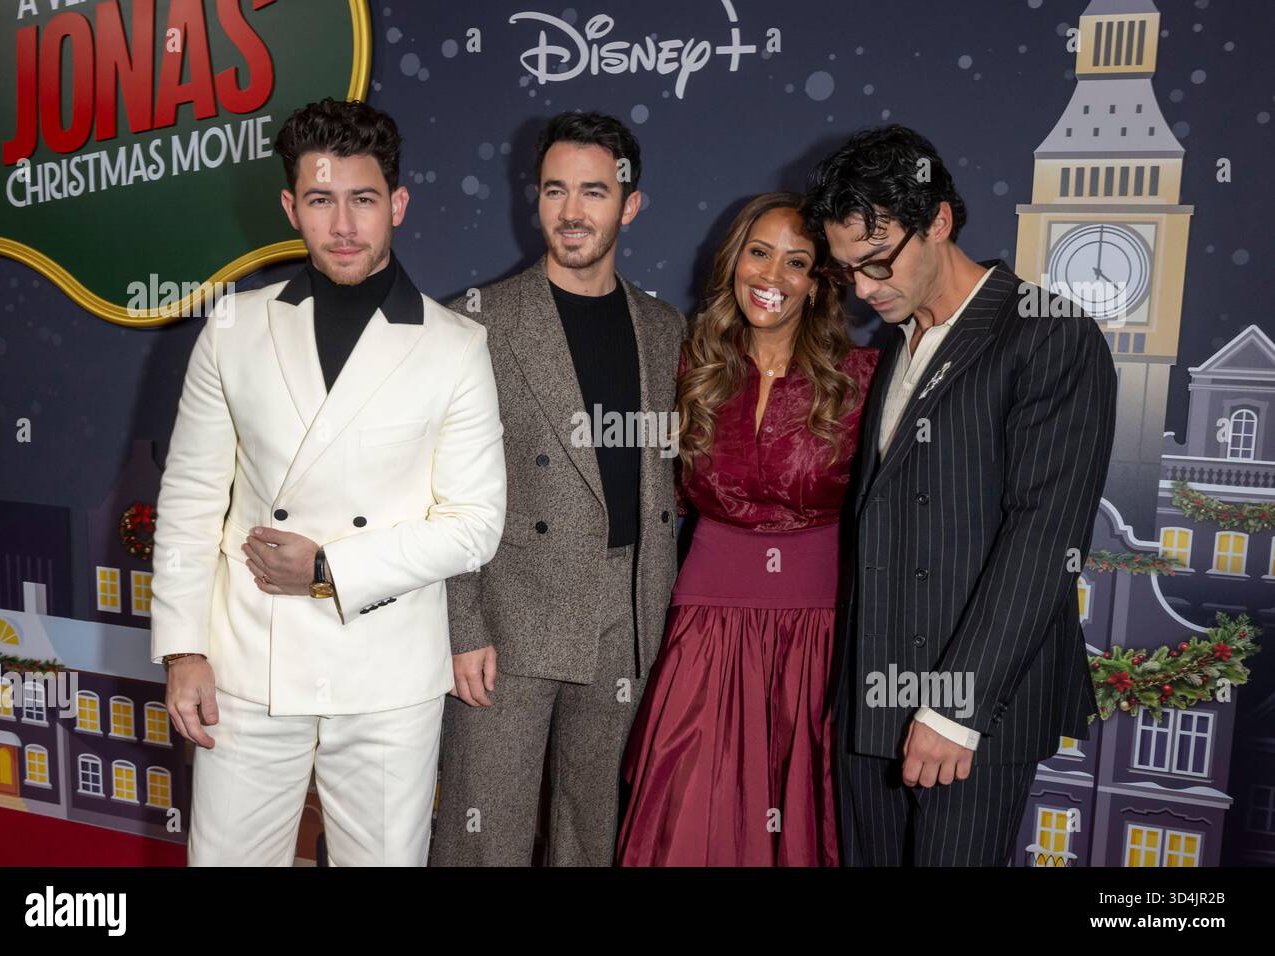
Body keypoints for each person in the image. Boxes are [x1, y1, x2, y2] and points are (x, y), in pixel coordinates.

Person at [149, 98, 506, 866]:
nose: (343, 224)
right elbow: (189, 501)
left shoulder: (455, 347)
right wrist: (182, 649)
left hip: (387, 676)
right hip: (247, 666)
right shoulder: (234, 328)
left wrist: (326, 570)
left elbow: (476, 521)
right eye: (320, 200)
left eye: (363, 199)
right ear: (290, 207)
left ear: (398, 204)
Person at [804, 124, 1116, 866]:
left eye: (877, 261)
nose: (864, 288)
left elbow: (1045, 539)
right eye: (848, 270)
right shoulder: (895, 345)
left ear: (939, 220)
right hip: (871, 702)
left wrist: (955, 706)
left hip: (972, 714)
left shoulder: (1049, 335)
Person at [429, 112, 686, 867]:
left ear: (629, 205)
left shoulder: (666, 328)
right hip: (511, 605)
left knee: (593, 825)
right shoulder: (475, 321)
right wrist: (461, 623)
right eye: (555, 190)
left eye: (595, 192)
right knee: (486, 829)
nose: (572, 211)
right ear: (534, 199)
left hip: (630, 606)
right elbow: (439, 488)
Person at [616, 192, 880, 866]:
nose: (772, 276)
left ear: (821, 280)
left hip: (815, 636)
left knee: (796, 824)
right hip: (703, 627)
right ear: (734, 261)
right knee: (686, 818)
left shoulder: (862, 379)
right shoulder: (688, 368)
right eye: (759, 253)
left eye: (798, 261)